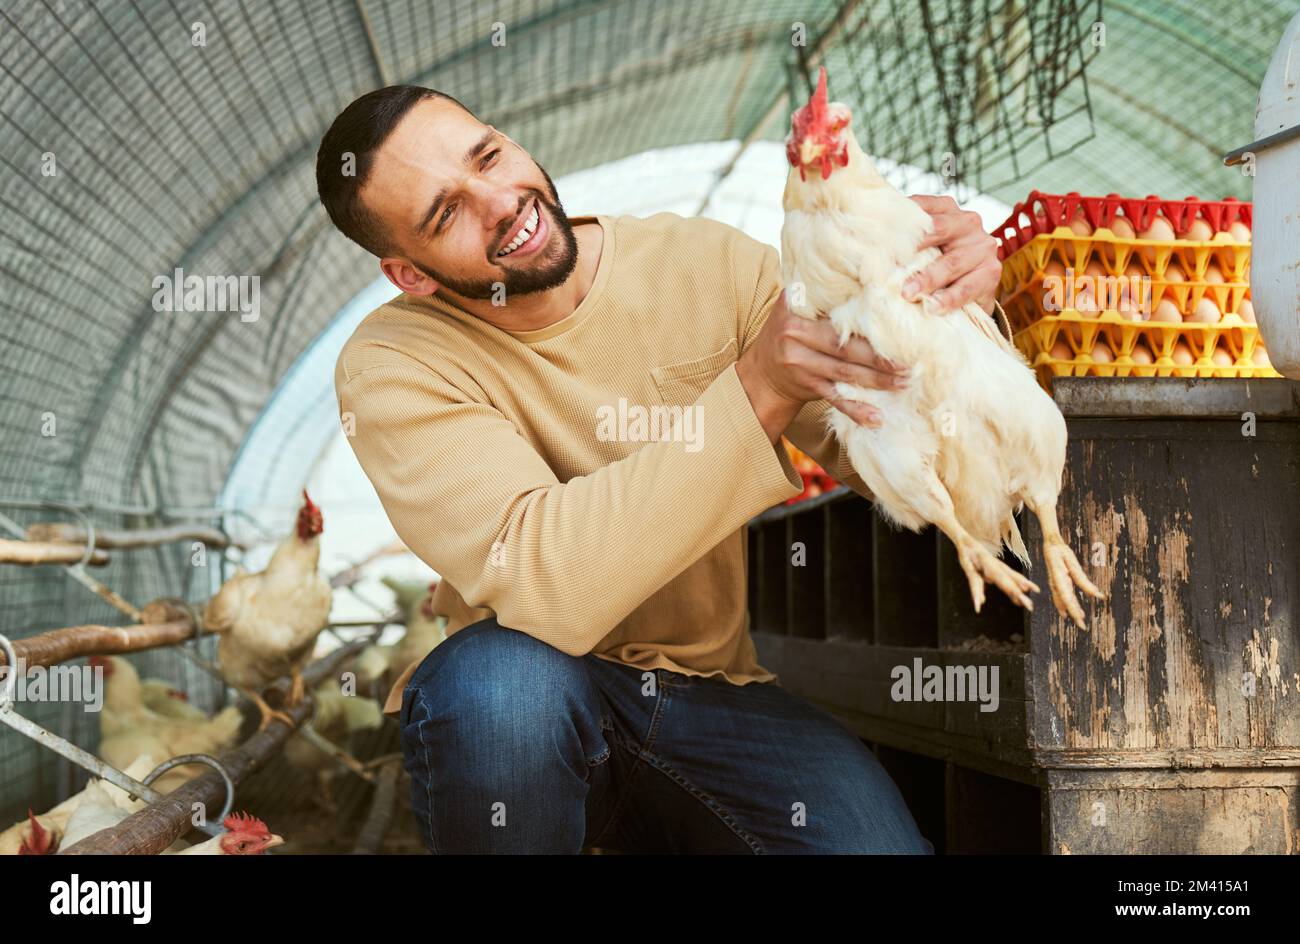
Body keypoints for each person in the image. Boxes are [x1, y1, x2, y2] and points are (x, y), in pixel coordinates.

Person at [316, 85, 1002, 854]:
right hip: (535, 704)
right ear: (410, 275)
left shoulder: (704, 265)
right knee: (495, 689)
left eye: (489, 156)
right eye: (446, 213)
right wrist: (760, 389)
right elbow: (550, 582)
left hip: (712, 694)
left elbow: (910, 460)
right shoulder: (393, 365)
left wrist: (950, 307)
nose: (501, 202)